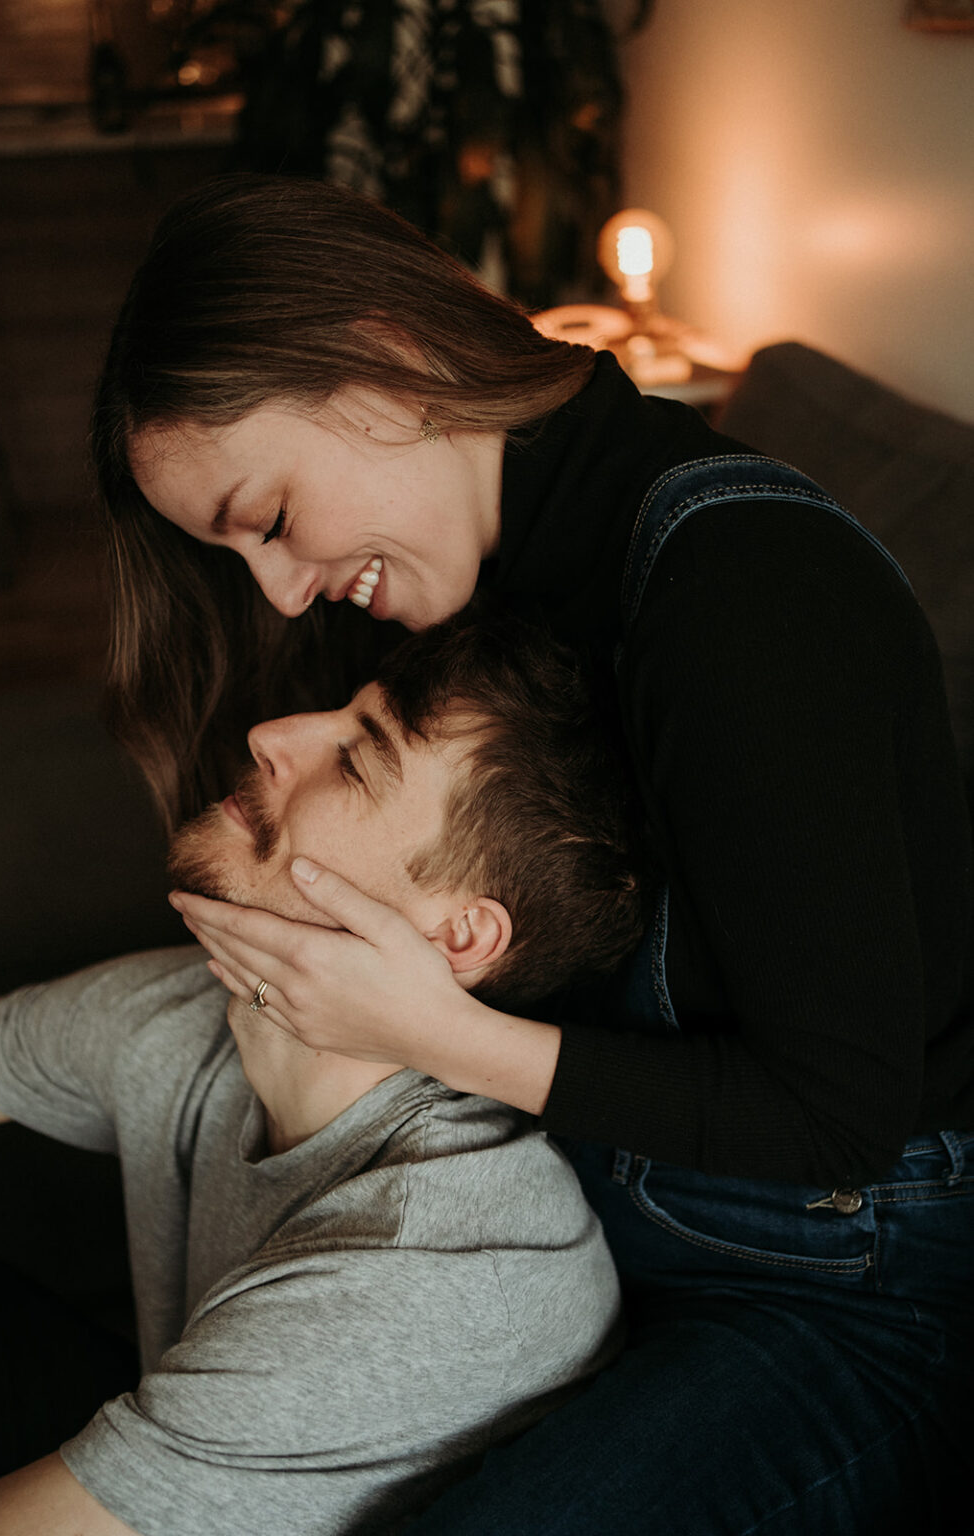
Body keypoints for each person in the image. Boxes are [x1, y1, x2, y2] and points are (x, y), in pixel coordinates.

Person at [93, 174, 974, 1533]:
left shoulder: (743, 596)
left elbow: (835, 1117)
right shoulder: (492, 566)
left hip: (838, 1276)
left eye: (268, 519)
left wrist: (431, 1030)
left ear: (388, 360)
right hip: (587, 1210)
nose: (277, 590)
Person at [0, 617, 639, 1536]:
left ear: (456, 934)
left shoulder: (428, 1269)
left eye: (357, 759)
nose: (273, 733)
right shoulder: (204, 1017)